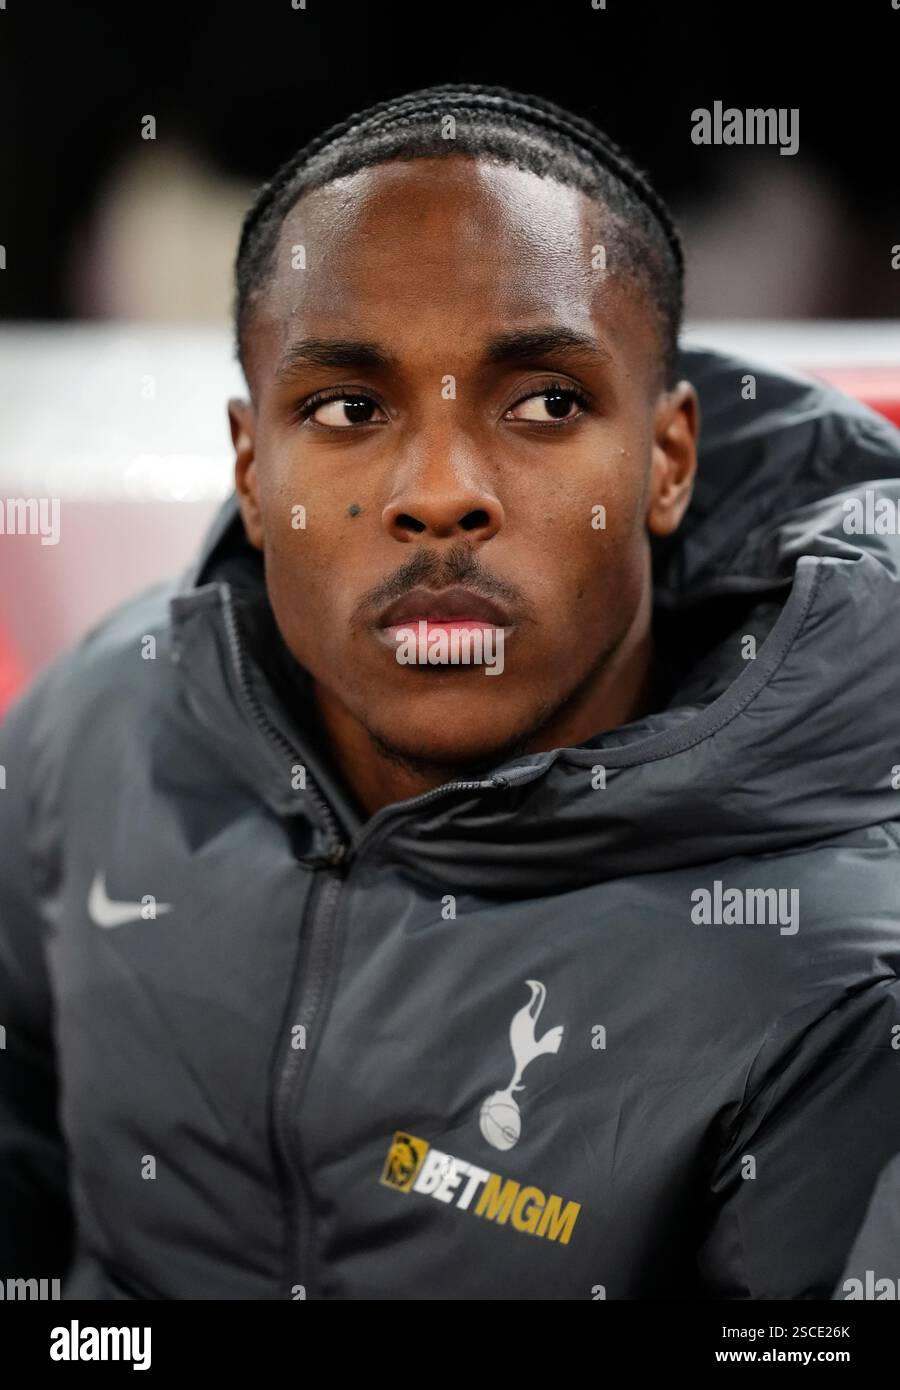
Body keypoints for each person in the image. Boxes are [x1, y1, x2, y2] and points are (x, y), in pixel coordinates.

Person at [2, 83, 900, 1301]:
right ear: (253, 471)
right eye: (349, 408)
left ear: (667, 460)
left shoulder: (842, 980)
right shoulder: (98, 713)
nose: (438, 492)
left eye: (543, 401)